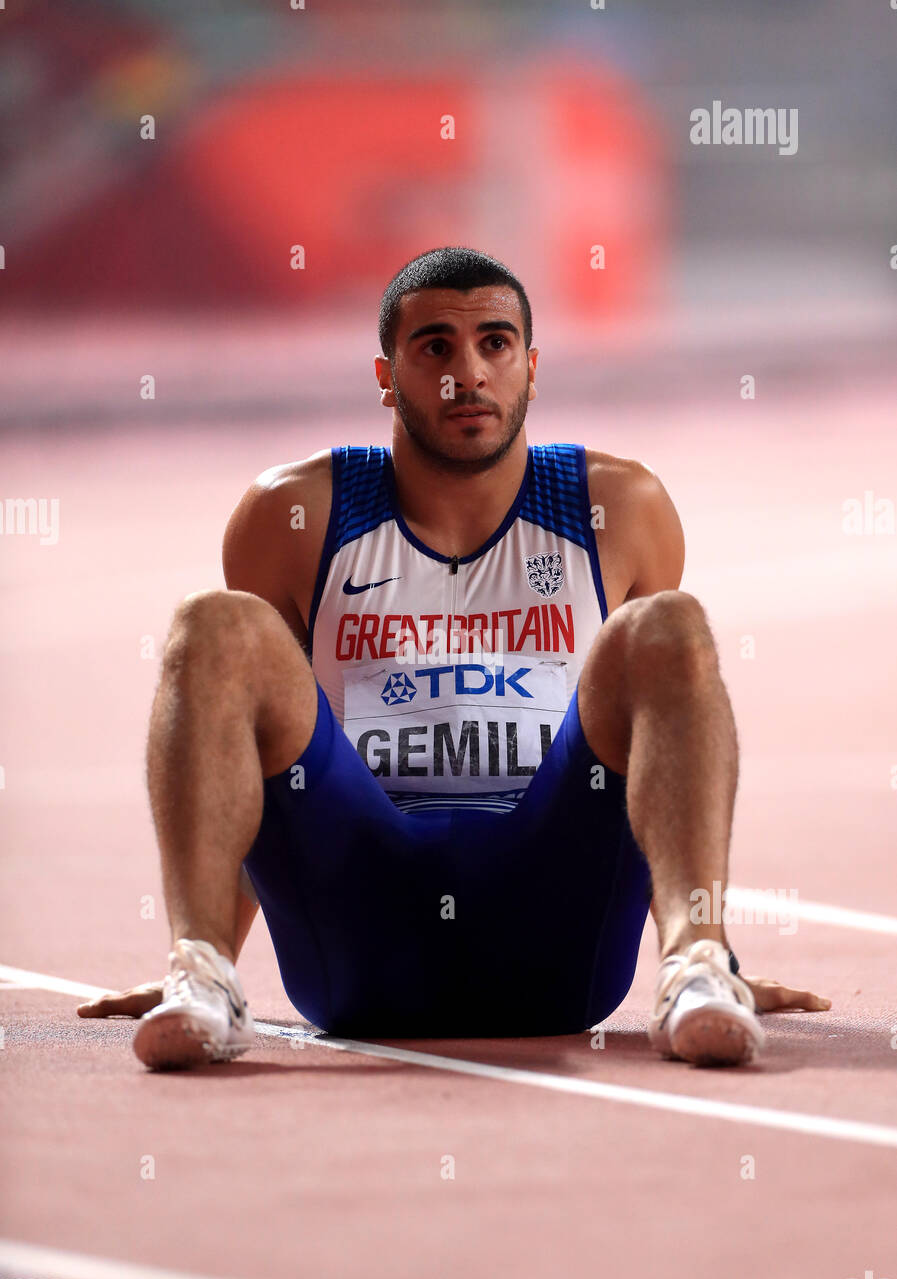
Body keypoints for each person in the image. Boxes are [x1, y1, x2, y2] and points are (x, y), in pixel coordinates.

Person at [78, 246, 830, 1068]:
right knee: (213, 626)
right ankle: (200, 973)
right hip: (360, 930)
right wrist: (210, 937)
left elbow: (656, 753)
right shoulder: (291, 514)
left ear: (531, 368)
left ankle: (695, 968)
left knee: (668, 626)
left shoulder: (621, 507)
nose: (466, 372)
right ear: (385, 372)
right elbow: (254, 762)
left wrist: (708, 932)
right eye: (435, 346)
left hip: (557, 930)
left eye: (494, 344)